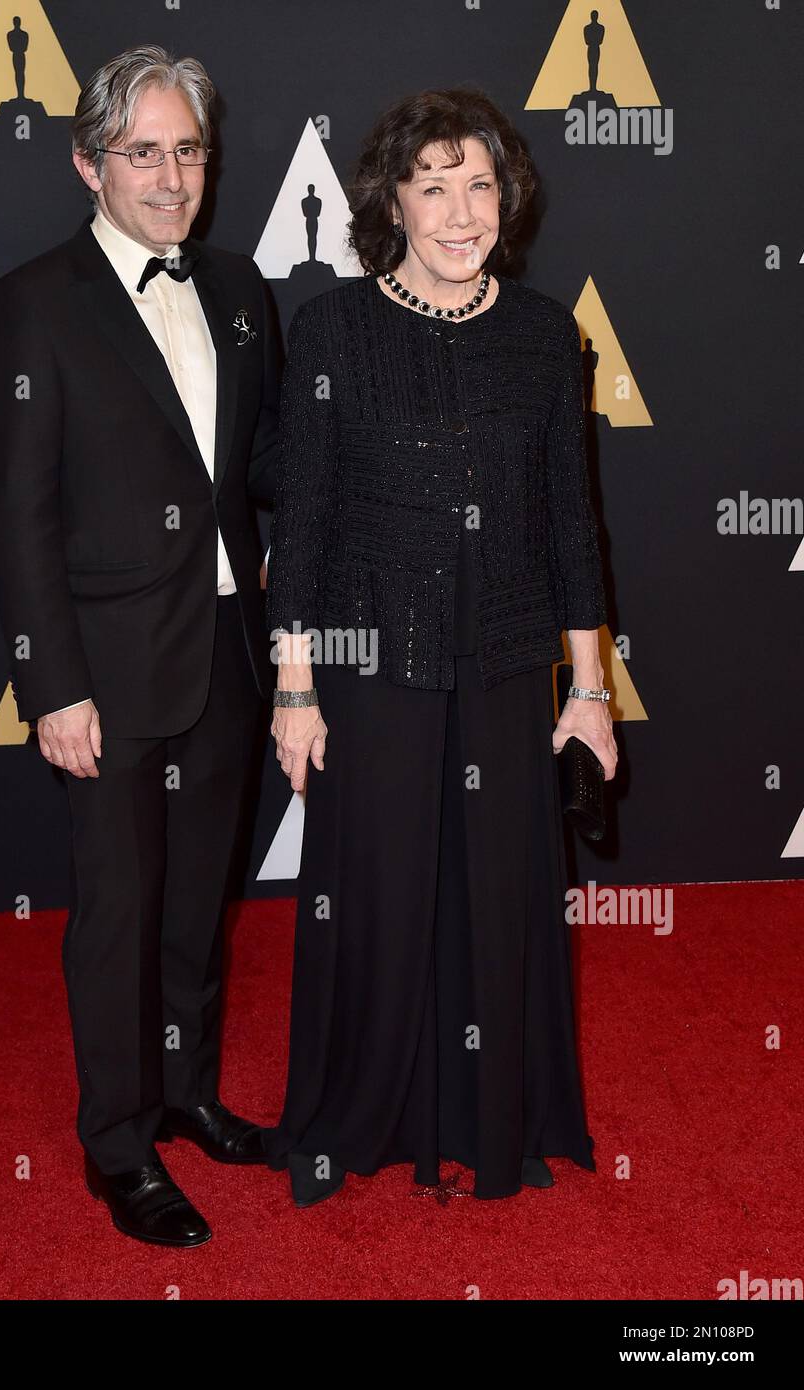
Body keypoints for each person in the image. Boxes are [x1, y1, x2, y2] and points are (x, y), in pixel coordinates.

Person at [263, 86, 618, 1208]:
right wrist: (295, 686)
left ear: (508, 197)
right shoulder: (333, 328)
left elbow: (571, 522)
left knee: (500, 892)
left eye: (481, 185)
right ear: (392, 201)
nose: (461, 212)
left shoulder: (542, 331)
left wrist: (591, 691)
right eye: (434, 186)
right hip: (371, 668)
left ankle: (491, 1113)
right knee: (373, 892)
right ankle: (363, 1108)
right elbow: (305, 522)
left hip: (510, 661)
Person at [0, 45, 281, 1247]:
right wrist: (53, 686)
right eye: (143, 151)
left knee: (198, 901)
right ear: (89, 162)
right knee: (118, 909)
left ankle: (188, 1089)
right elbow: (17, 518)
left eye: (187, 150)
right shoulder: (29, 304)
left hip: (225, 655)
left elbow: (258, 479)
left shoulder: (243, 292)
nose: (169, 176)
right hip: (103, 668)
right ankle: (118, 1143)